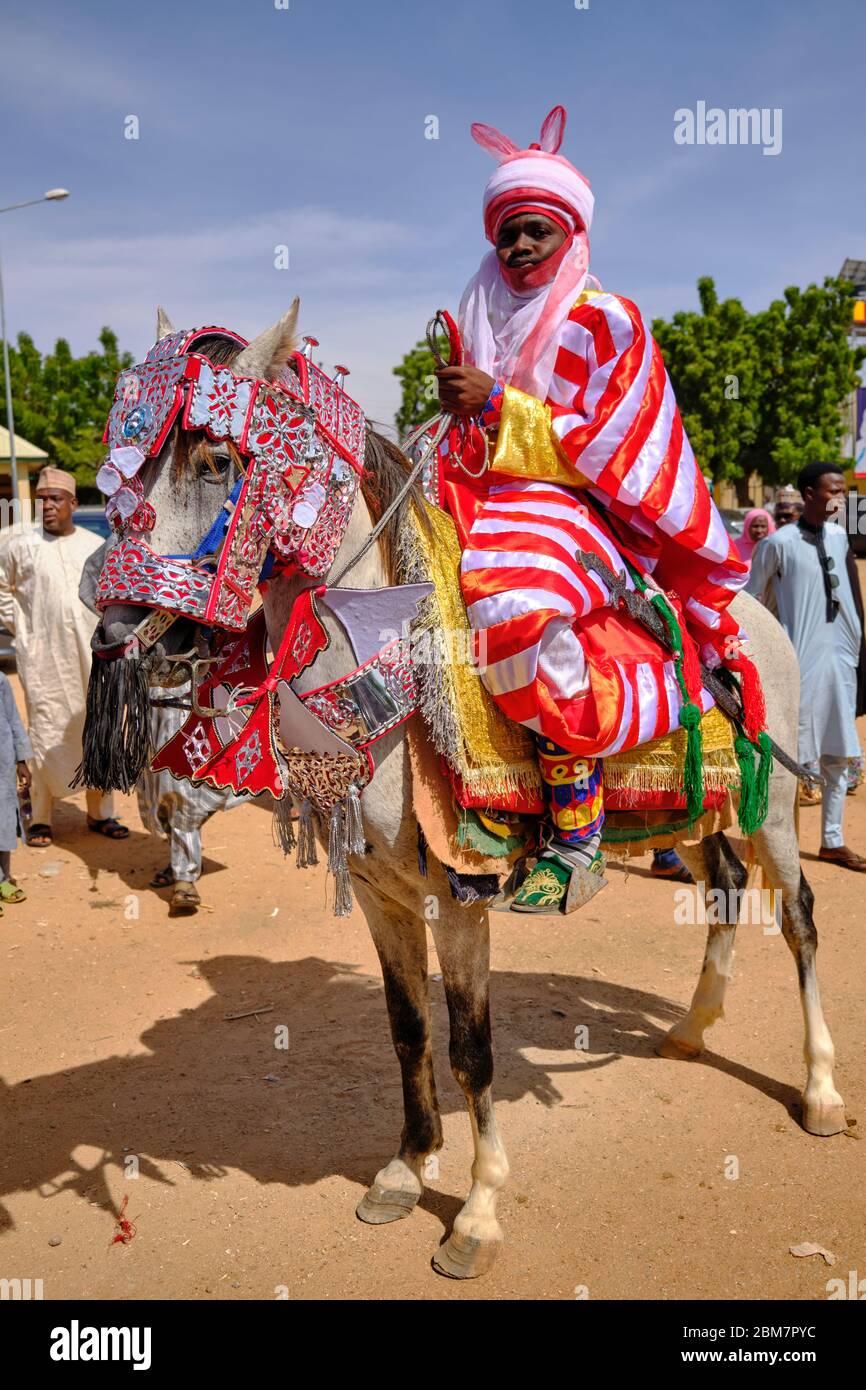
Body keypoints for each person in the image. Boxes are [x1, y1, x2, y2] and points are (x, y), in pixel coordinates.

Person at [434, 105, 752, 912]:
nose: (517, 248)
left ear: (569, 234)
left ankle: (575, 836)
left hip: (584, 509)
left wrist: (501, 405)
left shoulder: (604, 320)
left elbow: (613, 448)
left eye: (535, 231)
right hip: (483, 487)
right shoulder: (479, 311)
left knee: (519, 599)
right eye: (507, 234)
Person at [0, 467, 129, 847]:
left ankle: (99, 813)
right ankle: (41, 817)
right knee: (46, 727)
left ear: (73, 503)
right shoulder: (19, 546)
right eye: (41, 500)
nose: (47, 507)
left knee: (97, 725)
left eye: (55, 499)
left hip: (90, 655)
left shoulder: (93, 545)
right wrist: (22, 626)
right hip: (43, 658)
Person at [747, 462, 866, 871]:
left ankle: (833, 840)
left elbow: (852, 599)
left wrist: (860, 656)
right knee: (786, 755)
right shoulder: (777, 544)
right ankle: (774, 844)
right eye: (834, 491)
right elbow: (751, 602)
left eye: (844, 492)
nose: (841, 498)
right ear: (809, 494)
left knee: (838, 753)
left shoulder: (839, 538)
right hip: (796, 667)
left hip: (842, 660)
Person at [137, 684, 243, 916]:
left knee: (182, 792)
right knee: (161, 790)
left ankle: (184, 875)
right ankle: (180, 857)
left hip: (198, 698)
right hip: (152, 703)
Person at [0, 670, 32, 911]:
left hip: (2, 766)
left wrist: (21, 760)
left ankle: (4, 878)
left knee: (3, 822)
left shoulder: (0, 680)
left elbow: (13, 720)